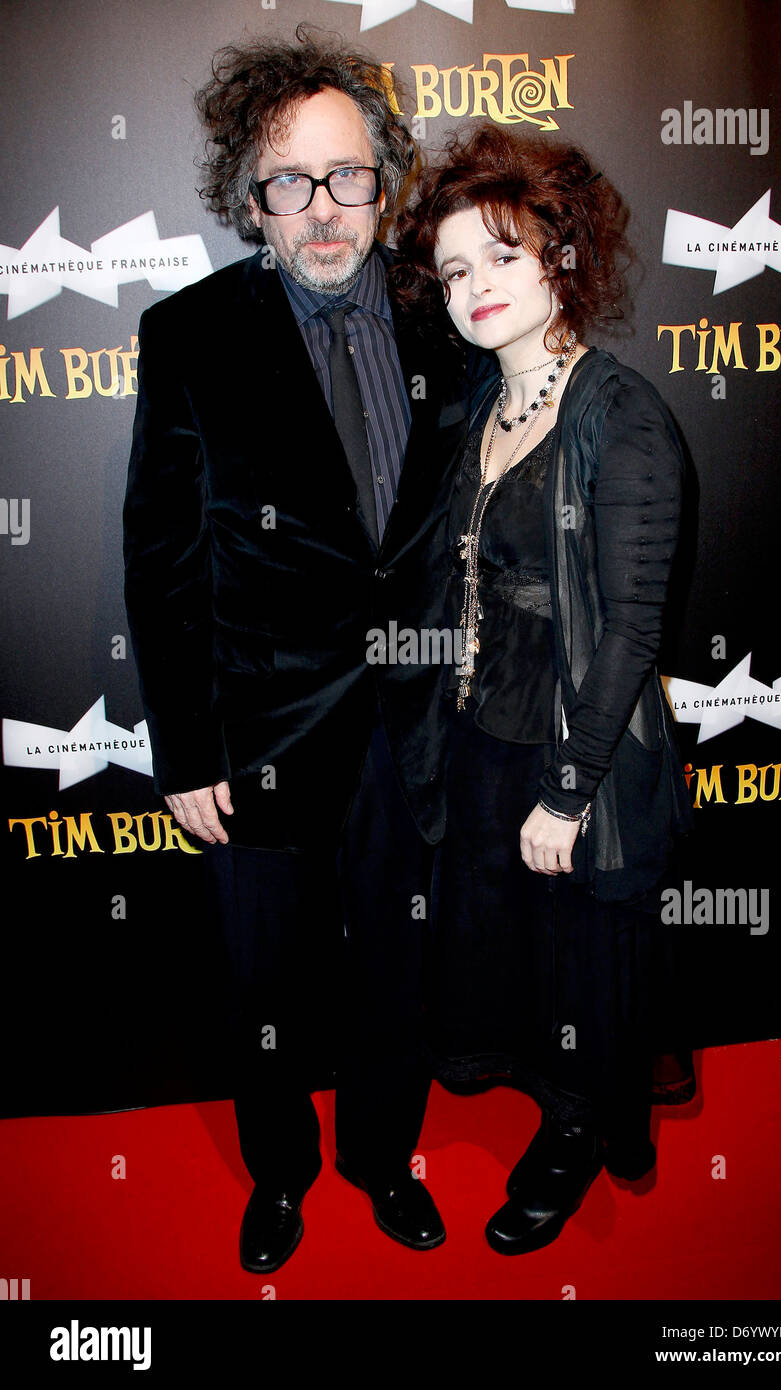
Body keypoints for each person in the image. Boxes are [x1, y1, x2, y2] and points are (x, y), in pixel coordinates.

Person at [123, 31, 476, 1272]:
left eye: (346, 177)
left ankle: (384, 1159)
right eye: (289, 181)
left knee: (401, 959)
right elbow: (163, 559)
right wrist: (187, 747)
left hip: (417, 727)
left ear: (386, 184)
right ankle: (280, 1174)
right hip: (261, 733)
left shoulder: (455, 320)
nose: (322, 210)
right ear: (247, 199)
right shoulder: (192, 337)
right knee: (264, 978)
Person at [393, 126, 694, 1254]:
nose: (475, 286)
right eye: (457, 266)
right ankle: (538, 1091)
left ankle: (574, 1131)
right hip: (478, 738)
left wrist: (568, 791)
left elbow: (629, 630)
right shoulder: (474, 408)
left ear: (562, 256)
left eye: (503, 257)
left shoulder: (623, 417)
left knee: (576, 963)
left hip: (571, 751)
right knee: (505, 953)